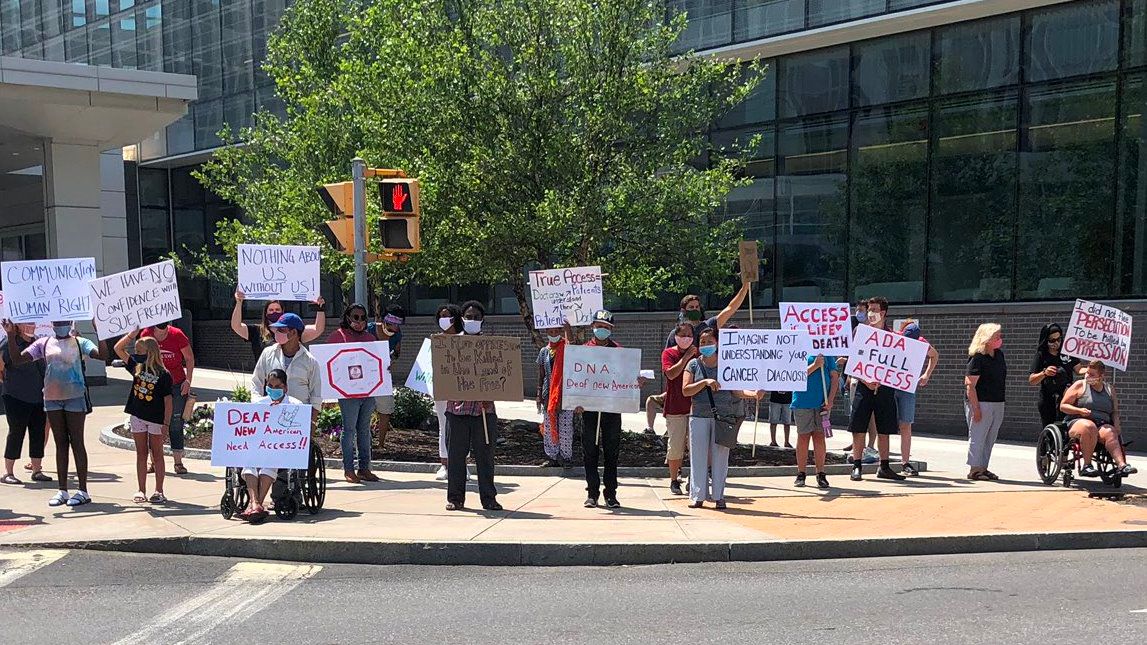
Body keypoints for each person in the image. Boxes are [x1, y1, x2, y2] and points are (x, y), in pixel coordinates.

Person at [5, 320, 107, 507]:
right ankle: (62, 490)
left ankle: (83, 490)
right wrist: (11, 335)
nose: (61, 325)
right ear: (52, 324)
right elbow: (18, 360)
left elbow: (102, 356)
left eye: (64, 322)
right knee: (60, 443)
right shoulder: (43, 343)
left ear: (69, 323)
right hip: (52, 398)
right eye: (58, 322)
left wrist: (100, 332)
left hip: (75, 397)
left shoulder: (79, 342)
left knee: (76, 441)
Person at [681, 327, 762, 509]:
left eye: (709, 341)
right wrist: (703, 382)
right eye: (702, 342)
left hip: (723, 417)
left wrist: (753, 394)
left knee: (720, 457)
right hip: (699, 415)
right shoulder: (693, 365)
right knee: (698, 456)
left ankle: (719, 496)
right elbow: (686, 390)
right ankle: (698, 495)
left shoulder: (728, 364)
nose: (706, 345)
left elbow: (736, 391)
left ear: (718, 343)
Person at [580, 310, 645, 509]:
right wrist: (575, 401)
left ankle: (611, 494)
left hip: (612, 408)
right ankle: (592, 493)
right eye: (599, 326)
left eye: (606, 327)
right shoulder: (582, 351)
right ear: (592, 327)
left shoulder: (620, 352)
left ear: (612, 329)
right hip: (589, 410)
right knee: (589, 451)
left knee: (611, 452)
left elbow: (627, 377)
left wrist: (636, 383)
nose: (602, 330)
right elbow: (575, 379)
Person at [445, 300, 501, 512]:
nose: (473, 320)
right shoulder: (449, 345)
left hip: (484, 412)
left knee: (485, 458)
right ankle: (455, 498)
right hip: (457, 411)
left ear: (482, 320)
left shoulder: (492, 346)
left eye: (477, 317)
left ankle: (489, 499)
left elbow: (500, 377)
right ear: (462, 318)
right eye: (469, 316)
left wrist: (492, 395)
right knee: (456, 457)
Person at [252, 313, 324, 465]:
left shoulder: (310, 361)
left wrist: (312, 423)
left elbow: (316, 395)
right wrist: (258, 405)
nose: (276, 333)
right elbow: (256, 382)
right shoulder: (268, 354)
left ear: (293, 333)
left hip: (297, 418)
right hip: (270, 414)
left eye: (281, 330)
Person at [847, 297, 905, 482]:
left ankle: (884, 466)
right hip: (864, 387)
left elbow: (898, 364)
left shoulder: (893, 337)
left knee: (885, 427)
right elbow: (853, 361)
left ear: (883, 313)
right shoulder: (860, 332)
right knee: (858, 426)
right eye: (868, 309)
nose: (869, 313)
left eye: (873, 310)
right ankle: (857, 466)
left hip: (885, 388)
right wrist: (865, 380)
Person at [113, 328, 173, 504]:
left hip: (156, 418)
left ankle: (159, 490)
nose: (136, 354)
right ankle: (141, 489)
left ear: (150, 352)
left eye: (140, 351)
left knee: (157, 454)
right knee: (141, 453)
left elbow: (168, 401)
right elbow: (118, 348)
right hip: (137, 414)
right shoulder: (136, 367)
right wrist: (132, 335)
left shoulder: (163, 374)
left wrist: (166, 424)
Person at [326, 303, 382, 483]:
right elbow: (329, 362)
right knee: (349, 430)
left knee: (364, 430)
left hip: (368, 391)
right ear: (347, 317)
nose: (359, 321)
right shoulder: (337, 337)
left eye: (362, 318)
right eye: (355, 317)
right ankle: (349, 469)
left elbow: (377, 363)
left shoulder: (370, 338)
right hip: (348, 393)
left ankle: (364, 468)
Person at [241, 369, 302, 523]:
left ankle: (256, 504)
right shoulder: (259, 404)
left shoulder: (296, 405)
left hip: (281, 449)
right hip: (258, 446)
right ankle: (256, 504)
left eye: (277, 386)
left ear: (285, 387)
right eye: (270, 386)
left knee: (269, 464)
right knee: (249, 464)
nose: (273, 390)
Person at [1059, 360, 1137, 478]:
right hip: (1078, 421)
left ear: (1101, 376)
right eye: (1087, 373)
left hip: (1101, 423)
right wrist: (1079, 411)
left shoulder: (1109, 389)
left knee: (1110, 432)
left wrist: (1117, 424)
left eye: (1092, 374)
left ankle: (1122, 465)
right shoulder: (1080, 385)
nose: (1087, 376)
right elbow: (1063, 406)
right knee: (1089, 426)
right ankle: (1087, 465)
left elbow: (1114, 411)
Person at [140, 320, 195, 475]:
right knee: (153, 421)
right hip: (154, 385)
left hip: (176, 384)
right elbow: (141, 360)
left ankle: (178, 462)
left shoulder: (177, 335)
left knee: (176, 421)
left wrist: (188, 380)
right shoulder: (147, 334)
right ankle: (154, 462)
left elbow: (189, 358)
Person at [2, 323, 50, 485]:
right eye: (27, 323)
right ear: (18, 325)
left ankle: (37, 470)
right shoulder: (9, 342)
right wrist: (8, 383)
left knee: (38, 432)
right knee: (16, 432)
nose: (31, 326)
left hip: (38, 396)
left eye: (33, 323)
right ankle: (8, 472)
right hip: (16, 396)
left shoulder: (38, 342)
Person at [895, 322, 939, 476]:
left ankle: (905, 462)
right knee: (885, 423)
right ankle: (884, 460)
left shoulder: (921, 343)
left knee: (906, 423)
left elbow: (934, 355)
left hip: (907, 386)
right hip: (891, 384)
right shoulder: (894, 338)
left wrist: (927, 374)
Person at [965, 323, 1006, 481]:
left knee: (990, 437)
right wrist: (975, 409)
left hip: (998, 401)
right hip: (981, 401)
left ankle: (983, 467)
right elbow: (970, 385)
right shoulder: (977, 357)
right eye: (996, 336)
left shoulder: (999, 355)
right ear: (987, 338)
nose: (999, 339)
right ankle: (974, 469)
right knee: (978, 436)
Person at [791, 353, 839, 489]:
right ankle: (801, 473)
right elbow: (795, 377)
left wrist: (830, 400)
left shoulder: (828, 354)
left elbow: (834, 378)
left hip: (822, 403)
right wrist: (815, 365)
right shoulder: (799, 353)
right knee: (803, 436)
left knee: (819, 437)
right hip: (802, 401)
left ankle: (821, 473)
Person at [230, 290, 327, 357]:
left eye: (277, 309)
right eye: (271, 310)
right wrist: (239, 303)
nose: (274, 312)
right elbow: (236, 326)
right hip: (266, 381)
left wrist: (319, 308)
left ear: (283, 311)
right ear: (266, 312)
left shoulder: (293, 331)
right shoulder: (256, 331)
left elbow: (317, 329)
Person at [661, 322, 698, 495]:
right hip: (675, 406)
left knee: (695, 446)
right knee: (675, 446)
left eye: (689, 335)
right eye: (682, 335)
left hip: (696, 408)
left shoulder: (698, 354)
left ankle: (695, 479)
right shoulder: (668, 353)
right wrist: (685, 358)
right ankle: (674, 480)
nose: (686, 338)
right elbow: (671, 373)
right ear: (676, 336)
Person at [663, 280, 753, 348]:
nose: (695, 309)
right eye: (691, 307)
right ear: (683, 310)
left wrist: (744, 289)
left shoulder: (708, 325)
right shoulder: (675, 333)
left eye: (697, 307)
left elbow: (730, 308)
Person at [1029, 323, 1084, 427]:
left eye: (1059, 339)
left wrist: (1091, 368)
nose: (1056, 343)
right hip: (1048, 398)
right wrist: (1044, 373)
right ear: (1046, 340)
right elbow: (1032, 380)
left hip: (1066, 396)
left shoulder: (1067, 352)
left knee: (1065, 426)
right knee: (1050, 427)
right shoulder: (1041, 355)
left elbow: (1079, 369)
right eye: (1052, 340)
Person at [537, 322, 574, 468]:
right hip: (548, 394)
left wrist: (568, 329)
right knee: (549, 425)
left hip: (566, 393)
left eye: (556, 331)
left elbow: (574, 345)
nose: (553, 334)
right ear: (546, 332)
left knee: (565, 428)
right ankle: (552, 457)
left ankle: (566, 458)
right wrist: (539, 393)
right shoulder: (544, 351)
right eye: (550, 331)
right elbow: (541, 374)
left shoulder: (567, 348)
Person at [369, 303, 405, 452]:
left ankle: (381, 443)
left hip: (383, 375)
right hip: (365, 375)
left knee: (385, 409)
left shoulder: (397, 335)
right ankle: (364, 441)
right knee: (364, 408)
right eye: (392, 322)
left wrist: (392, 360)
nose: (395, 326)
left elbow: (397, 352)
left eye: (398, 323)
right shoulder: (370, 328)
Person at [433, 304, 464, 480]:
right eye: (441, 316)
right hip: (441, 389)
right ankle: (445, 465)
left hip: (461, 388)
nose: (444, 319)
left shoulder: (464, 338)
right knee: (443, 425)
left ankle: (462, 465)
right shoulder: (436, 340)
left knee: (461, 427)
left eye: (448, 316)